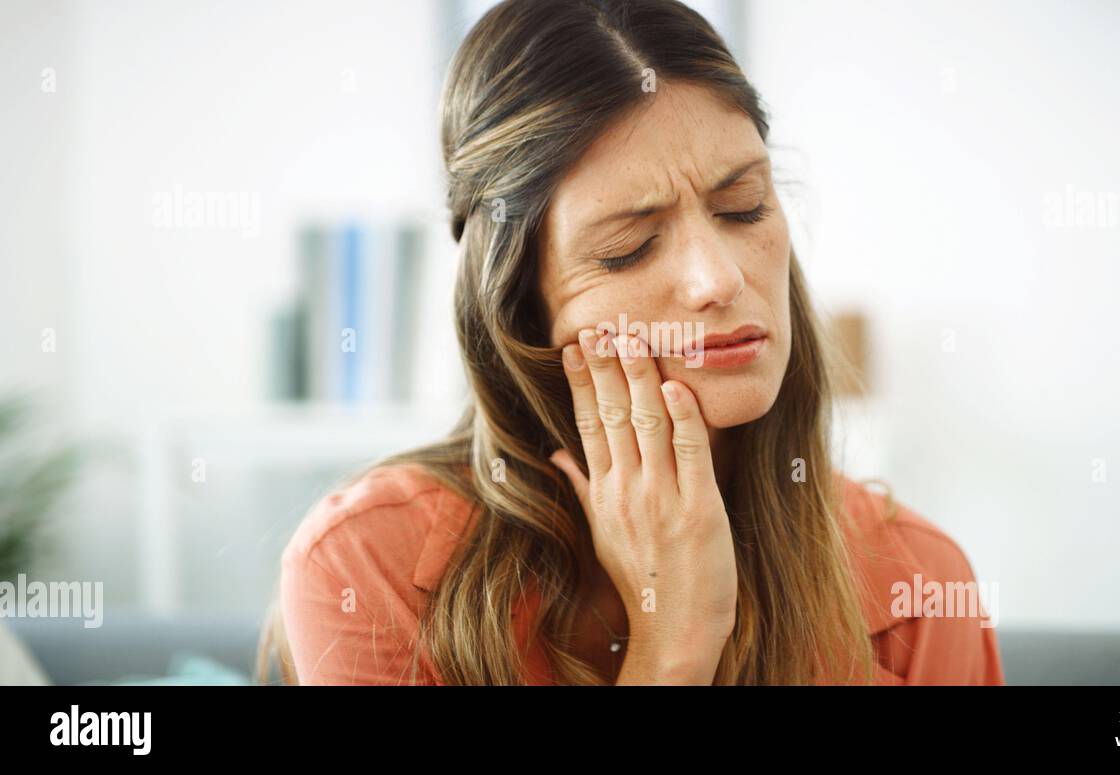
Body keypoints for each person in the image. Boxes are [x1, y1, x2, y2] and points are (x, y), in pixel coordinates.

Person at [259, 0, 1004, 686]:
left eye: (744, 208)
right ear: (523, 305)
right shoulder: (367, 564)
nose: (718, 279)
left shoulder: (920, 583)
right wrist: (673, 645)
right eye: (628, 248)